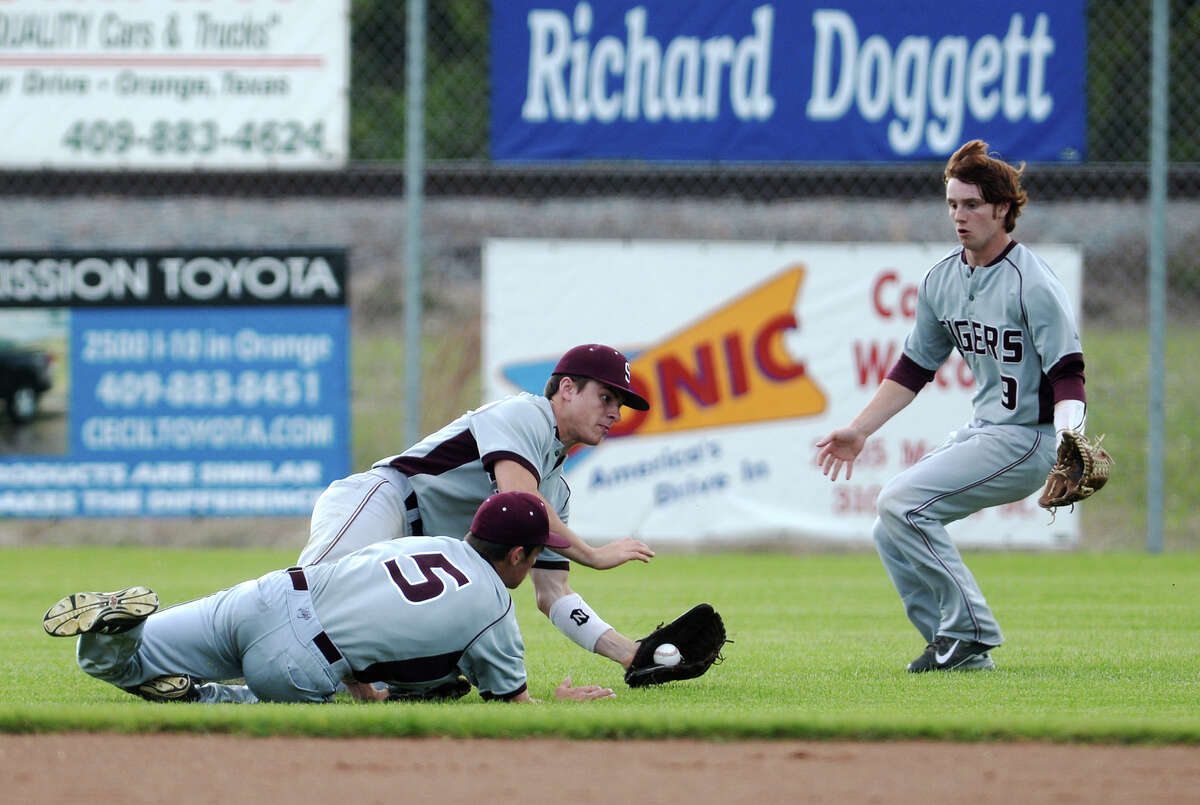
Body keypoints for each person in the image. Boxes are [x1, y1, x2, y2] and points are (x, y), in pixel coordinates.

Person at [814, 139, 1087, 673]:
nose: (959, 216)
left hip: (1028, 439)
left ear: (1003, 209)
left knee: (901, 503)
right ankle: (952, 648)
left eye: (971, 205)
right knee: (889, 524)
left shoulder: (1033, 284)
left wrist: (1070, 440)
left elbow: (1068, 374)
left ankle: (970, 631)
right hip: (987, 429)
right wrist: (860, 429)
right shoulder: (942, 279)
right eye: (952, 205)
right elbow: (914, 367)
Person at [297, 343, 717, 689]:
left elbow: (552, 594)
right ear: (566, 389)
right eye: (605, 398)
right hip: (386, 499)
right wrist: (595, 554)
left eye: (620, 404)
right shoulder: (525, 415)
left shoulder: (556, 489)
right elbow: (520, 496)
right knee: (307, 598)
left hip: (422, 555)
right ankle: (241, 673)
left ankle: (387, 685)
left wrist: (629, 652)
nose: (615, 413)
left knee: (420, 650)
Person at [42, 491, 617, 704]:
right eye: (536, 551)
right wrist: (561, 700)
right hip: (299, 660)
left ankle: (110, 628)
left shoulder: (430, 542)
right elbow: (508, 700)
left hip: (268, 593)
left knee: (124, 669)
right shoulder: (495, 608)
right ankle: (206, 699)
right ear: (518, 555)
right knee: (276, 703)